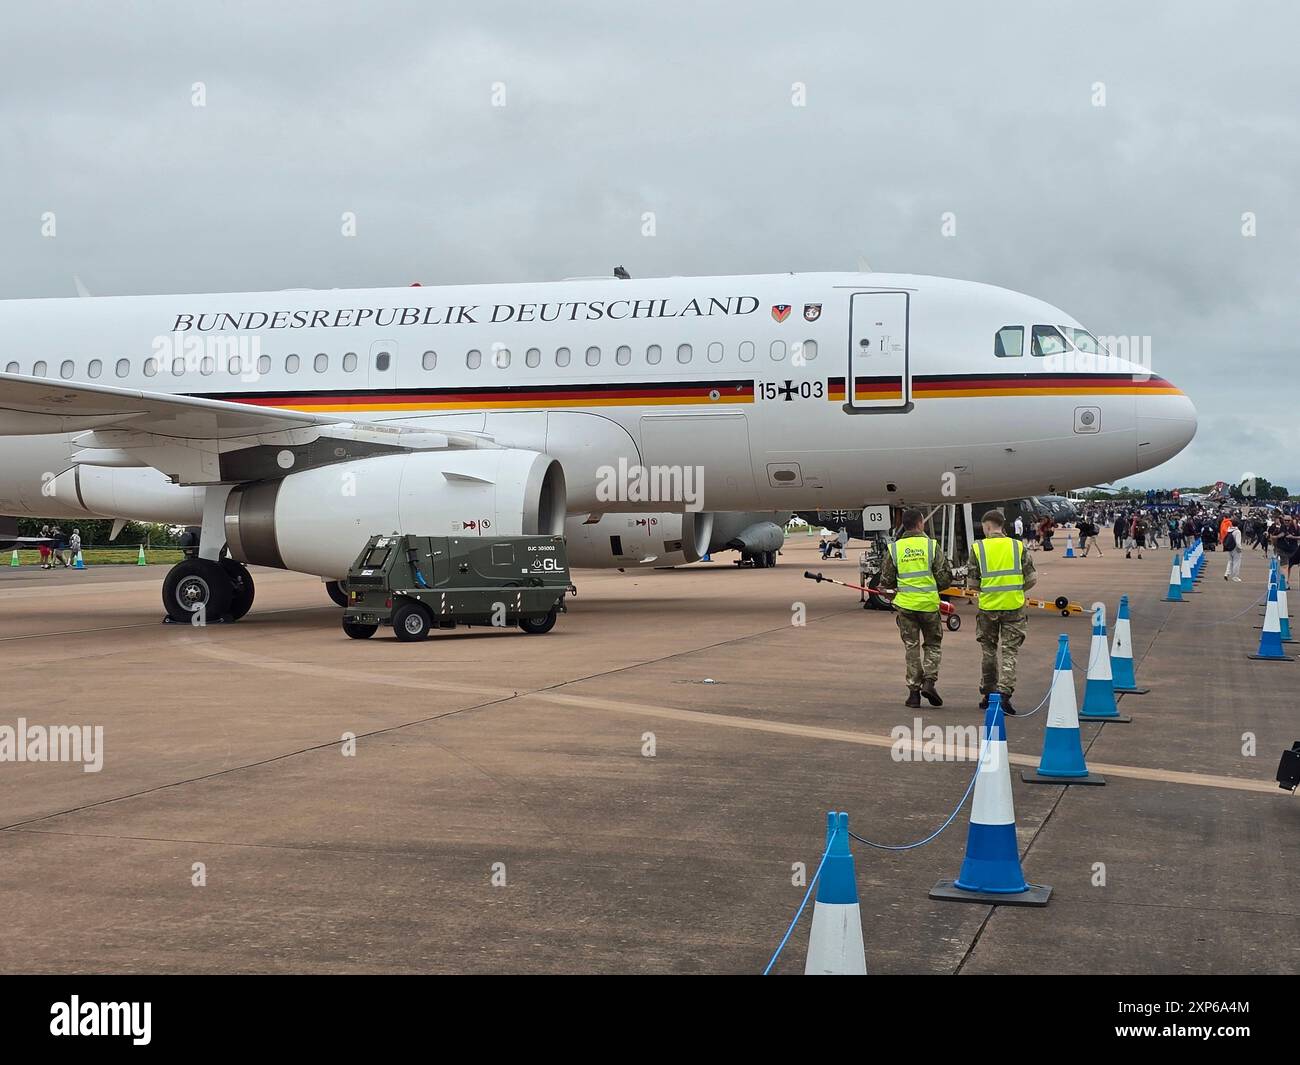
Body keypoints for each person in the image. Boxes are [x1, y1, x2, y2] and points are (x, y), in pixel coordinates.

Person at [880, 509, 953, 709]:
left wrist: (892, 591)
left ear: (904, 524)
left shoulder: (894, 549)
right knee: (932, 645)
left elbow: (885, 580)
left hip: (906, 606)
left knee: (911, 647)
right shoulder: (931, 546)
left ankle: (913, 694)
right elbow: (945, 578)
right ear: (920, 523)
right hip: (929, 605)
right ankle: (929, 681)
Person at [967, 509, 1036, 715]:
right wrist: (1015, 590)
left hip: (988, 607)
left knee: (988, 651)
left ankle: (988, 694)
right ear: (1003, 525)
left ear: (987, 526)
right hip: (1014, 606)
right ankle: (1004, 694)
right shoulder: (1018, 546)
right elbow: (1031, 578)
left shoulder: (978, 548)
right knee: (1010, 651)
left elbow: (972, 583)